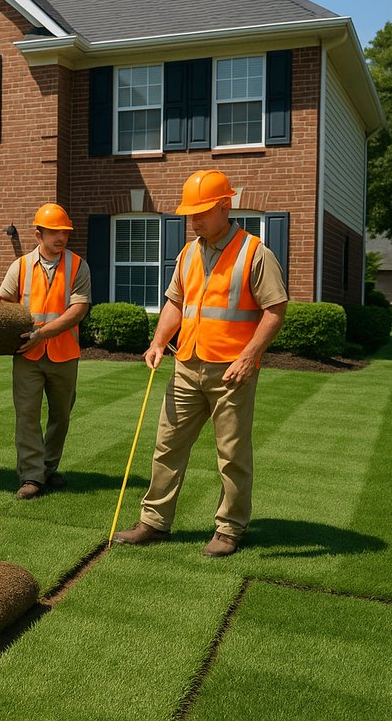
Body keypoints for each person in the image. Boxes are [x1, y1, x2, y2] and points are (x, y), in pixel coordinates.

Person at [112, 170, 287, 557]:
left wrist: (249, 357)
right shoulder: (188, 252)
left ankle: (229, 529)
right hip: (186, 364)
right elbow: (176, 303)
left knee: (232, 453)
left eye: (202, 212)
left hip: (232, 371)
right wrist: (158, 342)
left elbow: (275, 309)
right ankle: (154, 522)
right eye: (190, 213)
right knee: (166, 446)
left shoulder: (255, 252)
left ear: (226, 205)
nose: (194, 220)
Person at [0, 203, 91, 500]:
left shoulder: (78, 266)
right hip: (28, 355)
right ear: (38, 234)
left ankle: (48, 467)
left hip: (64, 353)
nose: (61, 238)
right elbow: (2, 301)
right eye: (54, 232)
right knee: (27, 415)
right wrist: (20, 328)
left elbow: (78, 310)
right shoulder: (20, 266)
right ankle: (32, 476)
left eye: (64, 232)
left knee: (60, 416)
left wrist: (42, 334)